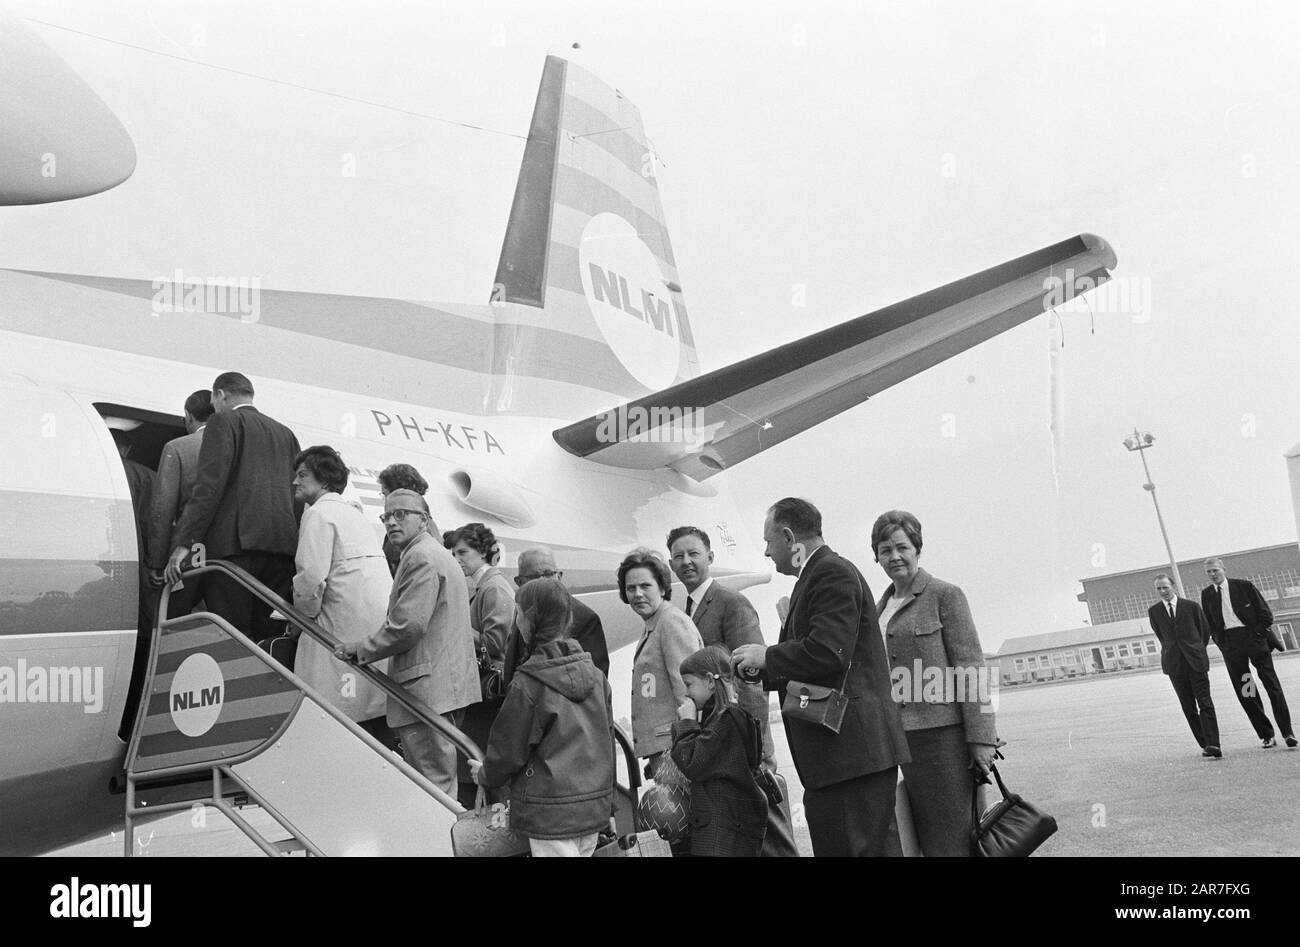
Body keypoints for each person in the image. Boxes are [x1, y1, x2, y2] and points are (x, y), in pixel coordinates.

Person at [732, 498, 910, 857]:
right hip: (843, 759)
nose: (767, 553)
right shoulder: (819, 575)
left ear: (788, 536)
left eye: (768, 542)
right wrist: (766, 666)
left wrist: (766, 655)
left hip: (849, 758)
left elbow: (829, 654)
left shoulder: (830, 572)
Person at [870, 510, 999, 857]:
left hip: (944, 741)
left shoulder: (944, 595)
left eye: (902, 547)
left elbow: (973, 668)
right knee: (921, 841)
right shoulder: (877, 609)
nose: (894, 556)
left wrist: (982, 738)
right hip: (900, 742)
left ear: (917, 549)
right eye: (885, 550)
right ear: (876, 556)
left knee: (956, 838)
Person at [335, 490, 479, 795]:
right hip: (444, 687)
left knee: (432, 787)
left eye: (401, 514)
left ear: (423, 520)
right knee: (439, 781)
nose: (391, 522)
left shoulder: (420, 557)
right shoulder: (434, 552)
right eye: (386, 516)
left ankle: (437, 843)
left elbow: (407, 627)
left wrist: (360, 649)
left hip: (425, 691)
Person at [667, 525, 798, 858]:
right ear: (670, 564)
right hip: (720, 751)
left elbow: (753, 679)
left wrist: (753, 750)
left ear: (710, 557)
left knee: (768, 839)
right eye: (678, 556)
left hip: (742, 752)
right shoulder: (685, 612)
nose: (686, 562)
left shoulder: (731, 603)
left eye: (694, 553)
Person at [469, 579, 614, 857]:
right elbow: (606, 741)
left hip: (550, 813)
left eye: (519, 614)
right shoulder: (596, 677)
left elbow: (509, 748)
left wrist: (485, 774)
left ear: (530, 620)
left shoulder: (529, 682)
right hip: (592, 809)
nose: (517, 622)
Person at [164, 372, 300, 643]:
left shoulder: (223, 422)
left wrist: (183, 545)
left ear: (220, 395)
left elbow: (208, 487)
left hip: (235, 550)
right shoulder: (286, 434)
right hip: (282, 552)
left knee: (233, 635)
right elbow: (296, 492)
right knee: (266, 636)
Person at [290, 445, 391, 732]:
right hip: (370, 626)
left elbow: (311, 578)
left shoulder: (318, 514)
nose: (295, 482)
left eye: (302, 475)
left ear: (323, 479)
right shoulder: (354, 514)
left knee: (326, 706)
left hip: (338, 626)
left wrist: (300, 618)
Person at [670, 646, 768, 858]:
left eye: (689, 684)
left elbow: (692, 762)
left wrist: (687, 722)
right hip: (731, 827)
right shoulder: (731, 718)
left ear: (709, 681)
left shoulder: (725, 722)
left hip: (722, 831)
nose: (686, 692)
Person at [446, 522, 515, 806]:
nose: (457, 559)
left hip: (490, 694)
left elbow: (495, 644)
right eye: (454, 553)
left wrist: (457, 625)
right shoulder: (484, 587)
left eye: (463, 552)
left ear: (483, 552)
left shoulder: (493, 588)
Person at [620, 548, 703, 777]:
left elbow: (689, 694)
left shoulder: (671, 623)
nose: (637, 594)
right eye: (631, 588)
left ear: (663, 588)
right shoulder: (654, 625)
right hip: (666, 750)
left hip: (677, 751)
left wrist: (686, 752)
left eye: (645, 586)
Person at [1200, 557, 1295, 748]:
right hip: (1231, 646)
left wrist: (1258, 634)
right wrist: (1221, 643)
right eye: (1209, 571)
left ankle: (1287, 733)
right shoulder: (1207, 594)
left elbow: (1266, 614)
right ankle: (1266, 734)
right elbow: (1210, 623)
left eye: (1215, 570)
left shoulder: (1244, 586)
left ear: (1223, 569)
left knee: (1272, 685)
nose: (1213, 574)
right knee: (1247, 689)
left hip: (1254, 640)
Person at [111, 426, 159, 742]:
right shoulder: (150, 477)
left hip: (113, 569)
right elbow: (159, 523)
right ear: (127, 448)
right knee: (144, 646)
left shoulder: (106, 477)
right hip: (145, 572)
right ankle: (137, 726)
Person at [146, 389, 213, 615]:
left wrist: (156, 561)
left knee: (175, 612)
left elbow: (162, 510)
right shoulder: (236, 447)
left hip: (187, 550)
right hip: (226, 552)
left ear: (189, 415)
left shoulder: (177, 448)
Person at [503, 546, 609, 680]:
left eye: (548, 574)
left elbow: (594, 681)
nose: (543, 581)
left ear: (559, 576)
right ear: (519, 582)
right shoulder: (522, 612)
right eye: (534, 577)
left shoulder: (584, 618)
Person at [1148, 573, 1220, 758]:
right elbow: (1162, 636)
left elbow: (1204, 632)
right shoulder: (1154, 612)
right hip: (1174, 665)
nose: (1163, 591)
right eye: (1159, 588)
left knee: (1204, 702)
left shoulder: (1191, 607)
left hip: (1196, 662)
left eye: (1165, 587)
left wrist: (1194, 650)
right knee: (1188, 706)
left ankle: (1214, 743)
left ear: (1173, 586)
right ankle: (1204, 743)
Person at [377, 464, 439, 576]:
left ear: (398, 493)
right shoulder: (427, 526)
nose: (385, 500)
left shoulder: (407, 533)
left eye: (385, 494)